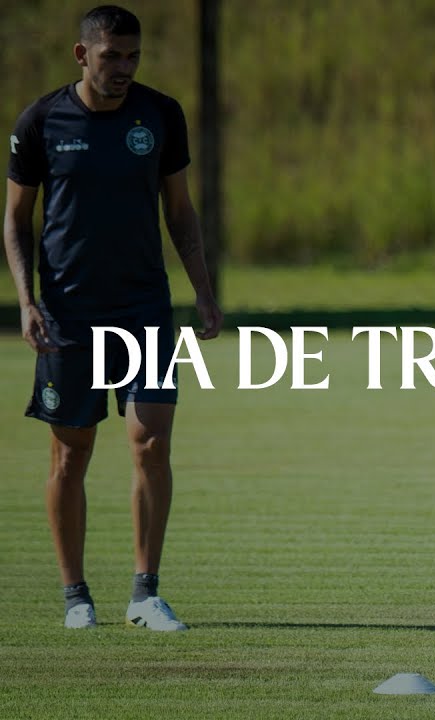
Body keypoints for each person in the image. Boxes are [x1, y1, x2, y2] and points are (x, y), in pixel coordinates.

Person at [4, 5, 222, 631]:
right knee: (71, 454)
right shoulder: (41, 121)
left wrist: (203, 292)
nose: (124, 68)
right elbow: (16, 223)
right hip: (68, 313)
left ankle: (145, 593)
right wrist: (27, 301)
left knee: (151, 443)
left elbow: (180, 213)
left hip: (144, 308)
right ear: (82, 55)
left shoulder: (160, 115)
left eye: (133, 56)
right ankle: (76, 597)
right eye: (111, 57)